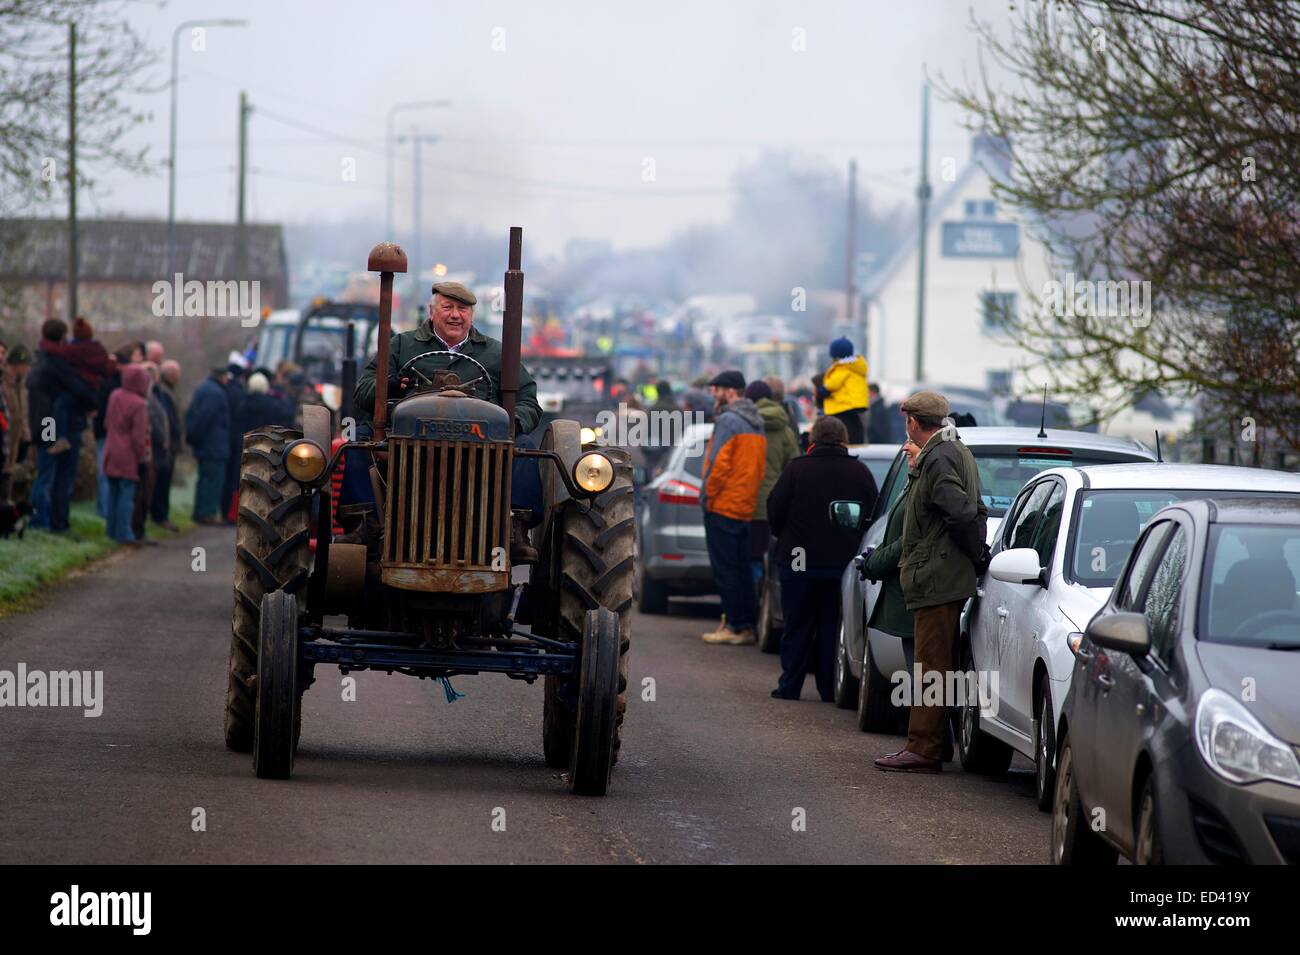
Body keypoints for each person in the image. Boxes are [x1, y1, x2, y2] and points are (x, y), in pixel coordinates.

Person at [353, 280, 543, 562]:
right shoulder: (402, 345)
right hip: (407, 446)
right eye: (448, 307)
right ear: (432, 312)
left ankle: (515, 526)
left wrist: (513, 421)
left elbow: (528, 401)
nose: (455, 314)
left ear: (471, 315)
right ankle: (365, 520)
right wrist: (388, 387)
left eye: (463, 308)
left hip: (481, 450)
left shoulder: (496, 353)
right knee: (360, 440)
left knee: (525, 448)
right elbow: (363, 388)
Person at [874, 392, 988, 774]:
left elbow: (961, 513)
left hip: (937, 578)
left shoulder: (938, 458)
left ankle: (924, 748)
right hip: (943, 574)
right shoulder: (955, 450)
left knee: (932, 667)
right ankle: (930, 745)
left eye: (905, 419)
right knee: (937, 664)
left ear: (912, 422)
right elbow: (974, 509)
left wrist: (975, 554)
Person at [767, 416, 878, 700]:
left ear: (812, 440)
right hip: (840, 564)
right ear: (844, 440)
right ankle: (829, 689)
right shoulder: (860, 472)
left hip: (797, 561)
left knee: (796, 624)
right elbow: (872, 517)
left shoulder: (796, 469)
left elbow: (775, 509)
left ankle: (790, 686)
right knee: (832, 626)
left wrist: (784, 536)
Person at [698, 369, 767, 645]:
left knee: (725, 570)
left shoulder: (727, 420)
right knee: (740, 569)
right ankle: (746, 626)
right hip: (744, 506)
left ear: (730, 391)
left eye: (716, 390)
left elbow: (718, 464)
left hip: (723, 504)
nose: (713, 395)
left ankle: (734, 626)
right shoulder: (756, 422)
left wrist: (707, 497)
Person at [26, 320, 97, 533]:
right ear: (61, 337)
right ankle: (47, 522)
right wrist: (93, 401)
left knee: (46, 473)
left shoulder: (39, 360)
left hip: (42, 422)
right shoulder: (56, 362)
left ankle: (46, 521)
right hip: (54, 424)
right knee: (54, 476)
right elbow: (78, 389)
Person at [747, 379, 799, 586]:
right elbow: (793, 465)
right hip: (774, 503)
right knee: (769, 556)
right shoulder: (784, 428)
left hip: (746, 501)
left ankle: (750, 602)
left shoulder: (745, 424)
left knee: (747, 558)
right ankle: (764, 600)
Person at [102, 364, 150, 544]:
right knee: (126, 495)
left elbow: (106, 422)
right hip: (128, 453)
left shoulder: (114, 395)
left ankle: (111, 532)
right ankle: (124, 533)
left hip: (110, 449)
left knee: (113, 493)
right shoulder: (139, 404)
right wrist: (141, 456)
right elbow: (139, 436)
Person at [186, 367, 232, 525]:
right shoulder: (215, 393)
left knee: (204, 479)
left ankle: (200, 512)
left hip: (207, 444)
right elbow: (204, 418)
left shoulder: (205, 389)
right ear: (222, 376)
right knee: (212, 480)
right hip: (213, 445)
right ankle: (207, 513)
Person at [150, 360, 183, 531]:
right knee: (161, 482)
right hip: (164, 445)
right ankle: (159, 516)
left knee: (163, 482)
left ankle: (161, 515)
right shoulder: (162, 393)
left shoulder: (165, 392)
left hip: (167, 444)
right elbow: (165, 421)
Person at [822, 337, 869, 444]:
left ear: (835, 356)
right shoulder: (854, 367)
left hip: (842, 409)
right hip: (854, 409)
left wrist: (824, 390)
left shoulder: (842, 368)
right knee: (856, 440)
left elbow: (832, 384)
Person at [0, 344, 30, 501]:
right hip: (4, 445)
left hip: (13, 448)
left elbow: (23, 415)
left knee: (7, 491)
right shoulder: (3, 385)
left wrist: (26, 439)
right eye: (26, 365)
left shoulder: (21, 386)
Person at [221, 354, 248, 524]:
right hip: (236, 439)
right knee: (234, 478)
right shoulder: (239, 393)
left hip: (226, 438)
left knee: (226, 478)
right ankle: (231, 514)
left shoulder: (225, 390)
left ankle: (225, 511)